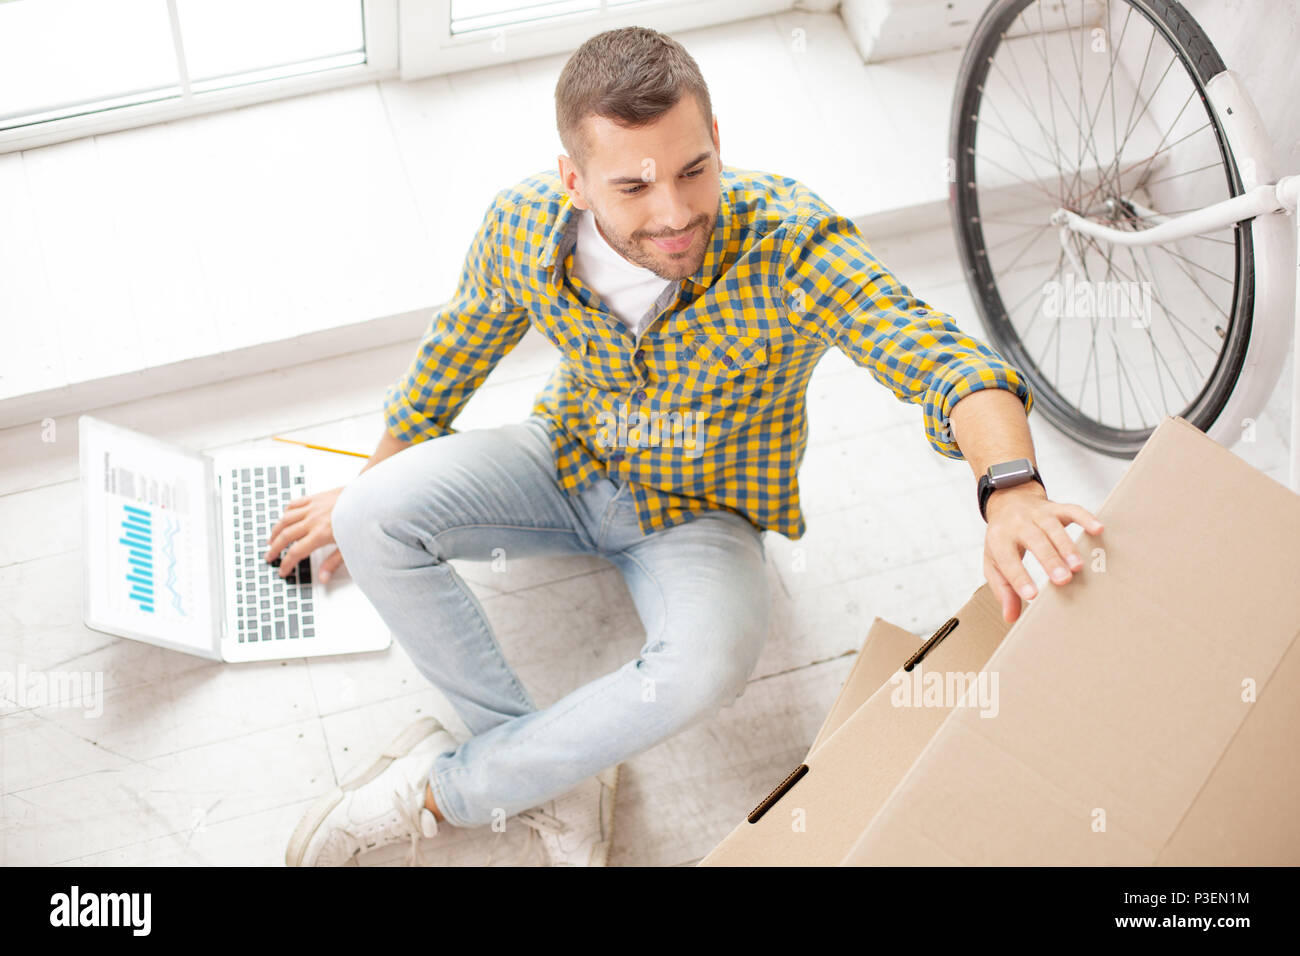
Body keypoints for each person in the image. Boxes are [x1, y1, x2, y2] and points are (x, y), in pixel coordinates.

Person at [270, 25, 1104, 867]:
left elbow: (944, 359)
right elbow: (456, 351)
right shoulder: (523, 227)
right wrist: (370, 481)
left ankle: (454, 789)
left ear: (716, 145)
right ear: (574, 180)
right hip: (563, 461)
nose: (673, 212)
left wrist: (1013, 490)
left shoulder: (790, 242)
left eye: (693, 169)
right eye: (631, 185)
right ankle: (546, 779)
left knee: (707, 665)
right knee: (373, 512)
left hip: (701, 516)